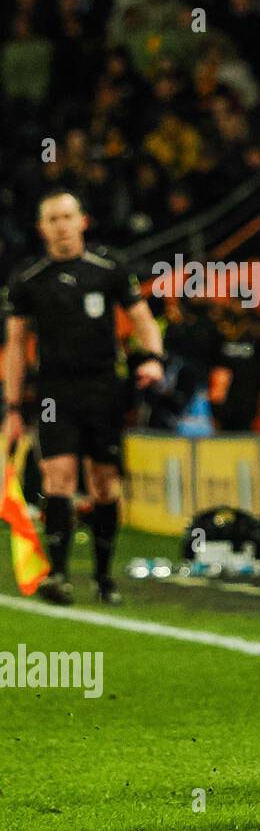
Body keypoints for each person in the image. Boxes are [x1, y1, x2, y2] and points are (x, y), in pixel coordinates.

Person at [2, 190, 164, 606]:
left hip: (103, 388)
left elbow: (143, 319)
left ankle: (104, 577)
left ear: (82, 221)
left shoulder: (108, 267)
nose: (61, 225)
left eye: (67, 216)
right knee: (58, 477)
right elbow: (17, 344)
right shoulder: (28, 278)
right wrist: (13, 406)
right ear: (41, 228)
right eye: (52, 218)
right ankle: (58, 575)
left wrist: (152, 359)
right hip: (55, 391)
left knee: (104, 484)